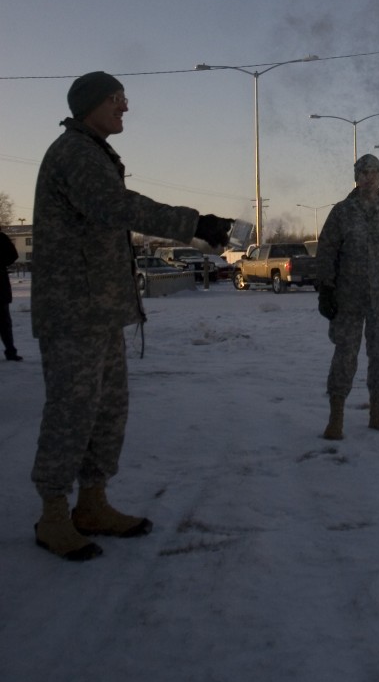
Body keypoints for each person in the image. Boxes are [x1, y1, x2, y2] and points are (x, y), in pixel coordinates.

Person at [30, 71, 232, 562]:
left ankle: (93, 503)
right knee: (72, 414)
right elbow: (114, 206)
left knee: (106, 411)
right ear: (91, 104)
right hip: (72, 313)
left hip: (99, 311)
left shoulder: (94, 150)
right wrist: (194, 223)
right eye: (117, 99)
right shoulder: (75, 152)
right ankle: (53, 513)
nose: (125, 107)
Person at [316, 152, 379, 440]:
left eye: (373, 172)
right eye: (363, 172)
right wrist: (325, 289)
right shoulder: (342, 212)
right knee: (345, 355)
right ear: (356, 177)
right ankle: (335, 418)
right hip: (348, 298)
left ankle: (377, 414)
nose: (368, 177)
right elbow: (326, 250)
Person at [0, 226, 22, 362]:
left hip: (0, 288)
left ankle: (11, 351)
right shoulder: (2, 238)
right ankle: (10, 352)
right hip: (0, 286)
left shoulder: (1, 238)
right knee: (4, 323)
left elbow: (13, 255)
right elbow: (13, 255)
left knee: (4, 322)